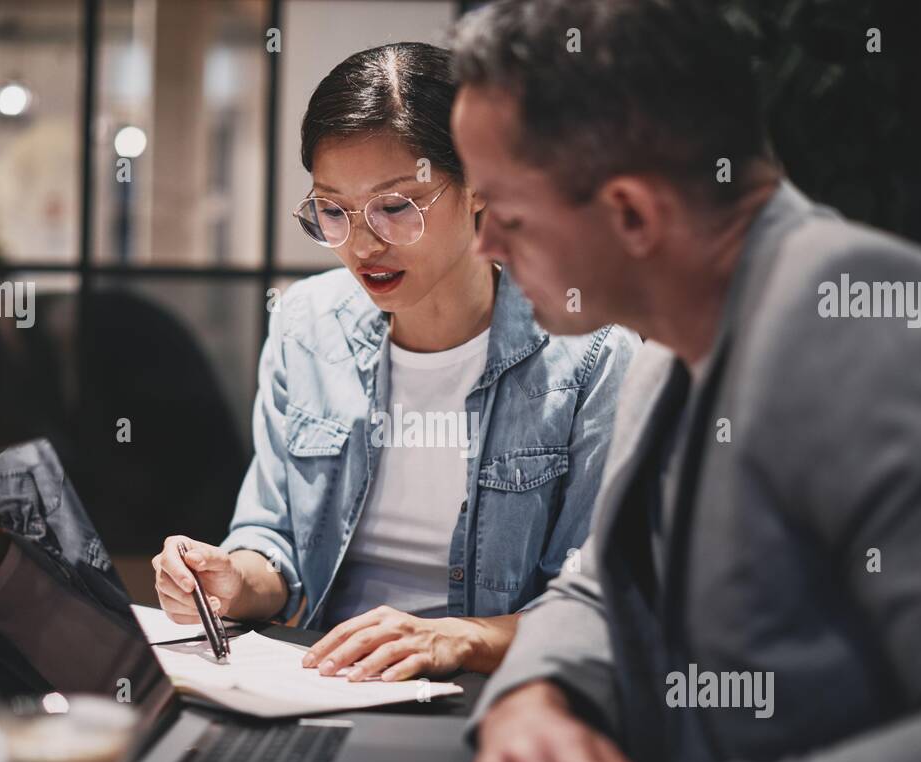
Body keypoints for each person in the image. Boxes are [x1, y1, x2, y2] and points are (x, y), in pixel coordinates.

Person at [265, 0, 921, 762]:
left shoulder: (891, 344)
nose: (486, 238)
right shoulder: (671, 346)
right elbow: (603, 586)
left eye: (507, 208)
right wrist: (535, 698)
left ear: (634, 217)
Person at [153, 42, 635, 683]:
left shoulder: (590, 351)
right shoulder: (307, 325)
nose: (361, 243)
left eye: (397, 206)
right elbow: (274, 544)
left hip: (492, 696)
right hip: (317, 675)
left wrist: (457, 640)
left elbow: (597, 608)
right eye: (332, 210)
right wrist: (231, 580)